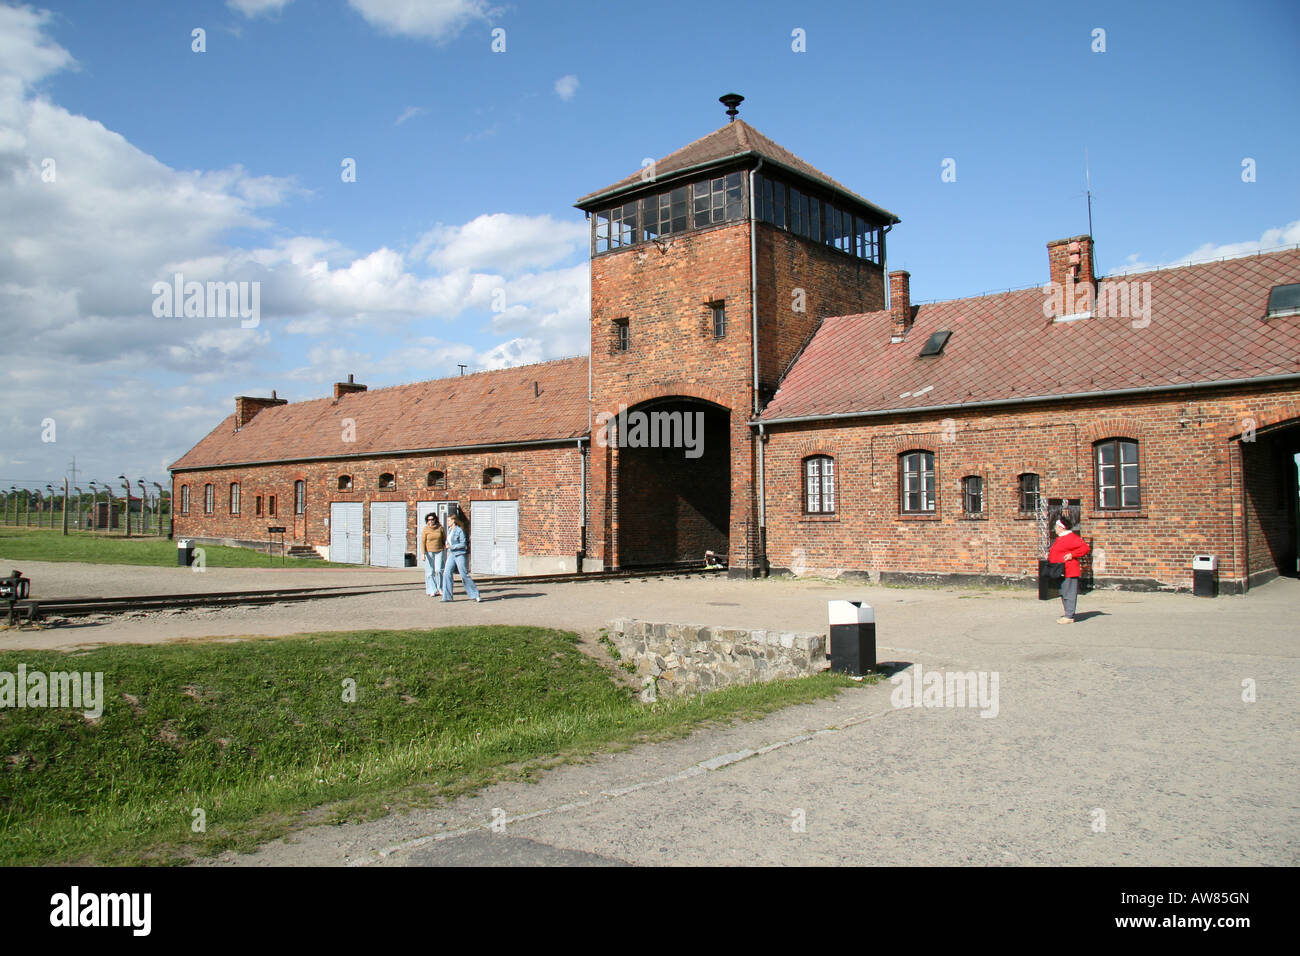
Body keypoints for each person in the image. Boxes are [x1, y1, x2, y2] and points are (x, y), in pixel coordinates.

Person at [1047, 515, 1091, 624]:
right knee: (1063, 592)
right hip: (1060, 570)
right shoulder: (1061, 537)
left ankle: (1069, 616)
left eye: (1056, 526)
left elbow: (1085, 548)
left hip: (1069, 569)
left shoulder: (1071, 537)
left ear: (1062, 527)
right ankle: (1068, 613)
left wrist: (1072, 554)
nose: (1055, 528)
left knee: (1069, 593)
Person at [441, 510, 481, 603]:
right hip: (451, 554)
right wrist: (447, 544)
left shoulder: (459, 530)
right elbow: (449, 540)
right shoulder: (449, 530)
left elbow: (463, 544)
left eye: (449, 520)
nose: (447, 522)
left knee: (464, 574)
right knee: (446, 573)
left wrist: (452, 546)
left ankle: (475, 594)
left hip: (459, 554)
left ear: (453, 521)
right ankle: (447, 596)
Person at [420, 512, 446, 598]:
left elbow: (444, 539)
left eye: (432, 519)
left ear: (435, 520)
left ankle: (440, 588)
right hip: (429, 552)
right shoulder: (426, 529)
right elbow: (423, 542)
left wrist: (444, 547)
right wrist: (423, 553)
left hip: (439, 551)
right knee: (429, 572)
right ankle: (431, 590)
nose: (430, 521)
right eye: (428, 520)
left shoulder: (440, 528)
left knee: (439, 570)